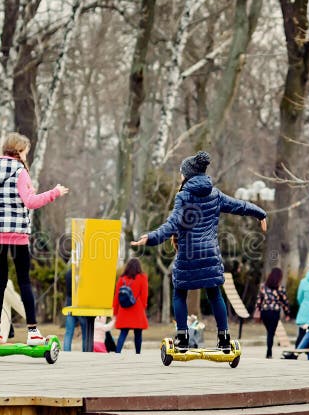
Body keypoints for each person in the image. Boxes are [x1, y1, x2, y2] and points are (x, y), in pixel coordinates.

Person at [131, 151, 267, 352]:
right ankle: (224, 338)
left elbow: (172, 224)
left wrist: (151, 237)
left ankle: (183, 338)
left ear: (187, 175)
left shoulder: (183, 196)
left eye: (181, 173)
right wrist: (260, 213)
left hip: (188, 255)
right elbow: (239, 206)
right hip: (210, 255)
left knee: (179, 294)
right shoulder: (216, 194)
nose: (180, 176)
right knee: (215, 294)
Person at [0, 132, 69, 346]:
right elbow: (30, 202)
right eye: (25, 152)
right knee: (24, 282)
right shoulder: (20, 171)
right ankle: (32, 332)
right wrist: (55, 192)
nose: (25, 157)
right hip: (18, 235)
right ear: (19, 151)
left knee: (0, 281)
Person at [112, 258, 149, 354]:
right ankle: (137, 353)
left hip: (124, 310)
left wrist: (115, 311)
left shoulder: (122, 279)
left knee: (123, 333)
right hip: (137, 309)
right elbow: (144, 294)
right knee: (138, 334)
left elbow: (116, 296)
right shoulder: (142, 277)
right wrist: (144, 306)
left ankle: (117, 352)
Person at [256, 268, 290, 359]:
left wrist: (258, 310)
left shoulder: (263, 286)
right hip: (274, 312)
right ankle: (269, 352)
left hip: (265, 312)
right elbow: (285, 302)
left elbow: (259, 300)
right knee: (271, 332)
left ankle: (269, 352)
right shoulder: (280, 288)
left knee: (269, 332)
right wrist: (287, 314)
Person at [63, 266, 89, 351]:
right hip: (81, 305)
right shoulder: (84, 273)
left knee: (68, 333)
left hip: (70, 305)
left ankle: (66, 352)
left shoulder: (68, 273)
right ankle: (86, 352)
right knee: (85, 333)